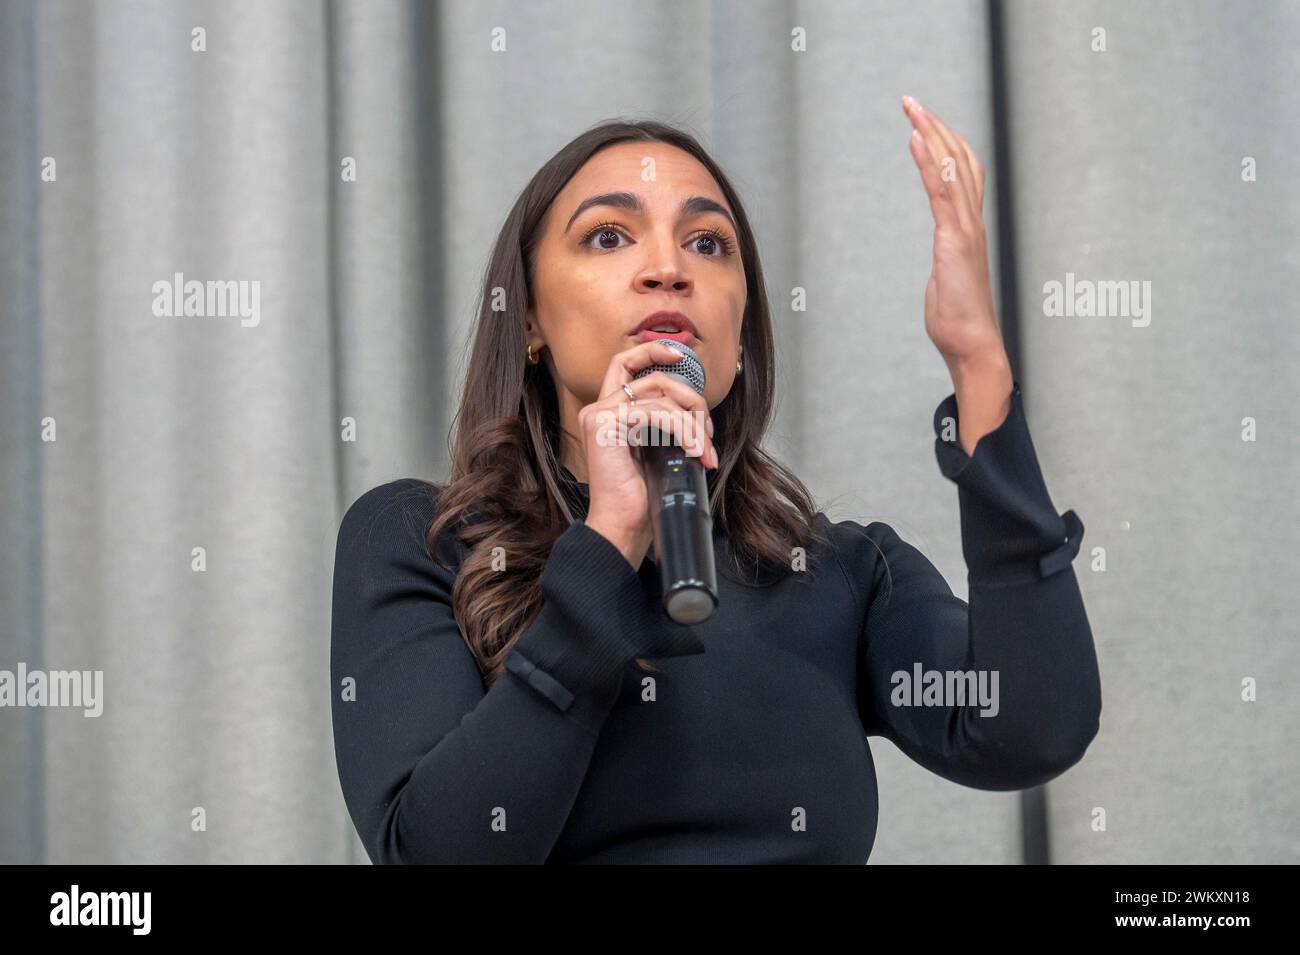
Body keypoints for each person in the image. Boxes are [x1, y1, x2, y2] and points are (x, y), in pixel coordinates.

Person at [330, 107, 1101, 864]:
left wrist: (977, 363)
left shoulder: (839, 572)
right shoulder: (419, 540)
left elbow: (1032, 726)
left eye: (707, 242)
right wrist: (604, 548)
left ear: (740, 326)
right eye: (608, 235)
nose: (670, 267)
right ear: (528, 318)